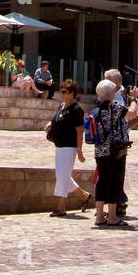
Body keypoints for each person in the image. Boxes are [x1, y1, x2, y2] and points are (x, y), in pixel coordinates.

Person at [92, 79, 138, 228]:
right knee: (114, 181)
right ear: (110, 93)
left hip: (100, 149)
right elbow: (132, 113)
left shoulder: (96, 108)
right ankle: (112, 216)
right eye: (114, 91)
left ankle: (100, 215)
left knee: (102, 181)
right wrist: (134, 98)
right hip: (115, 149)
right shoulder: (114, 107)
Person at [45, 79, 92, 216]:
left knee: (63, 176)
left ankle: (61, 207)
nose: (62, 94)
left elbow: (79, 130)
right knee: (61, 175)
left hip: (69, 146)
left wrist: (79, 150)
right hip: (59, 145)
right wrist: (50, 124)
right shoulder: (61, 107)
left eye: (65, 92)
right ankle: (83, 195)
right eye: (62, 91)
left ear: (72, 93)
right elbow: (56, 119)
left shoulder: (76, 109)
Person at [104, 68, 138, 218]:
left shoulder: (125, 96)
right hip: (105, 140)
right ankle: (111, 204)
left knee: (117, 172)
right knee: (106, 172)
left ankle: (119, 202)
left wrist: (125, 128)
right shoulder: (105, 93)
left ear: (116, 81)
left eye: (107, 79)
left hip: (119, 141)